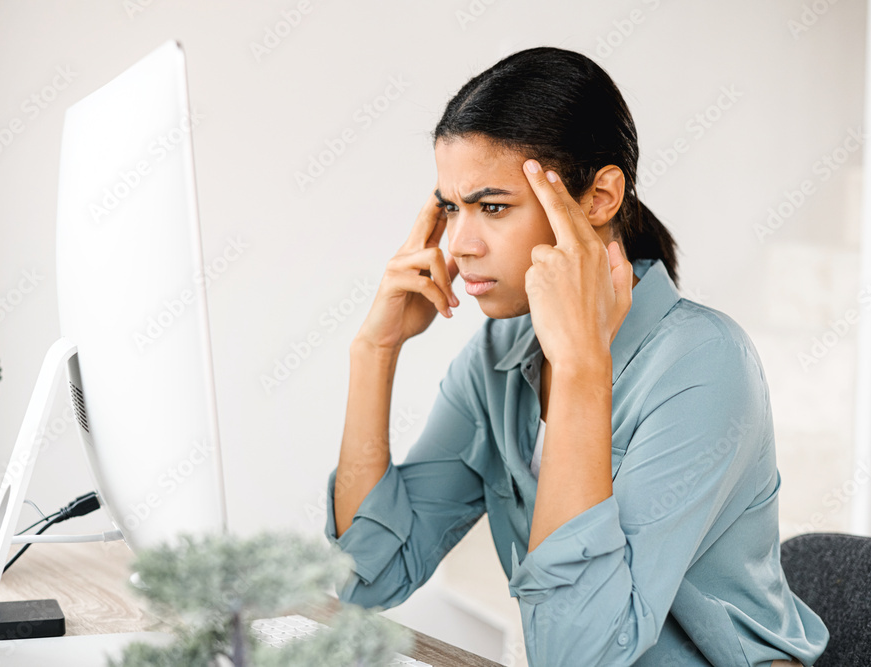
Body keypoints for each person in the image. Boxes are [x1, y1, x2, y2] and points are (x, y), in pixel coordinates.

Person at [323, 46, 829, 666]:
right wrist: (374, 350)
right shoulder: (499, 356)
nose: (459, 244)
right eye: (452, 208)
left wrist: (584, 372)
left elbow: (578, 656)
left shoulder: (703, 365)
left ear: (599, 198)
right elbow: (367, 576)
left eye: (493, 207)